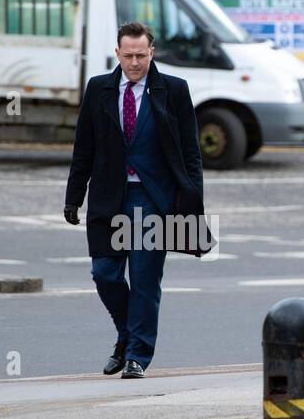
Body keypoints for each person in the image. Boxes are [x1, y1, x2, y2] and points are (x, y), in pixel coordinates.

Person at [64, 22, 208, 378]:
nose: (134, 62)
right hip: (108, 197)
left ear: (152, 52)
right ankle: (126, 334)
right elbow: (84, 148)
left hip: (152, 199)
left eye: (141, 55)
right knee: (104, 273)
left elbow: (190, 151)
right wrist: (73, 196)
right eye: (128, 56)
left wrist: (192, 200)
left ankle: (137, 357)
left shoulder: (173, 89)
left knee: (144, 280)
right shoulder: (99, 89)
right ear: (117, 53)